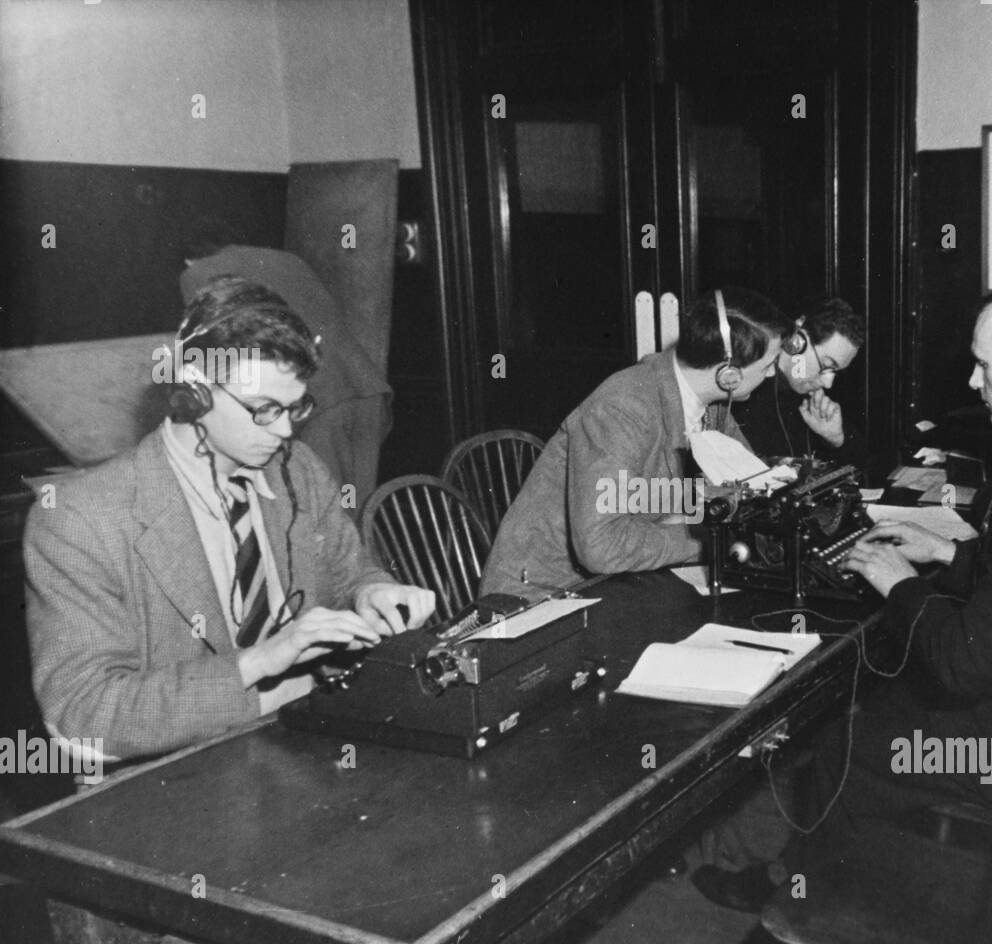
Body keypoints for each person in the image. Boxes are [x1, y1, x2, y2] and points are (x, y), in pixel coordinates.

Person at [692, 265, 992, 909]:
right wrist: (948, 552)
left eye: (983, 365)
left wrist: (898, 583)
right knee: (877, 701)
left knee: (845, 740)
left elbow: (964, 666)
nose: (974, 381)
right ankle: (810, 871)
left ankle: (807, 904)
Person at [24, 275, 437, 764]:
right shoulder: (81, 521)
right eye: (264, 409)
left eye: (296, 407)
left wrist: (373, 594)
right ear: (195, 392)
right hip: (180, 788)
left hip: (309, 748)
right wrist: (260, 661)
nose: (284, 431)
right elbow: (83, 715)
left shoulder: (297, 470)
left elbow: (351, 575)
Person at [479, 288, 789, 598]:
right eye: (768, 365)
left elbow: (747, 486)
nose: (773, 373)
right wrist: (713, 542)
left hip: (615, 582)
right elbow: (601, 545)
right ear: (729, 374)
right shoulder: (623, 407)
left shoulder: (713, 404)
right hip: (540, 597)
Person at [179, 245, 393, 515]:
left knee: (326, 514)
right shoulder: (287, 260)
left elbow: (213, 338)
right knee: (361, 507)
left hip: (320, 402)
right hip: (366, 386)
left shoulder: (198, 273)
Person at [732, 298, 865, 461]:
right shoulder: (742, 389)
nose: (828, 383)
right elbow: (696, 485)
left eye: (834, 372)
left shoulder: (809, 395)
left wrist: (836, 439)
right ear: (797, 341)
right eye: (826, 364)